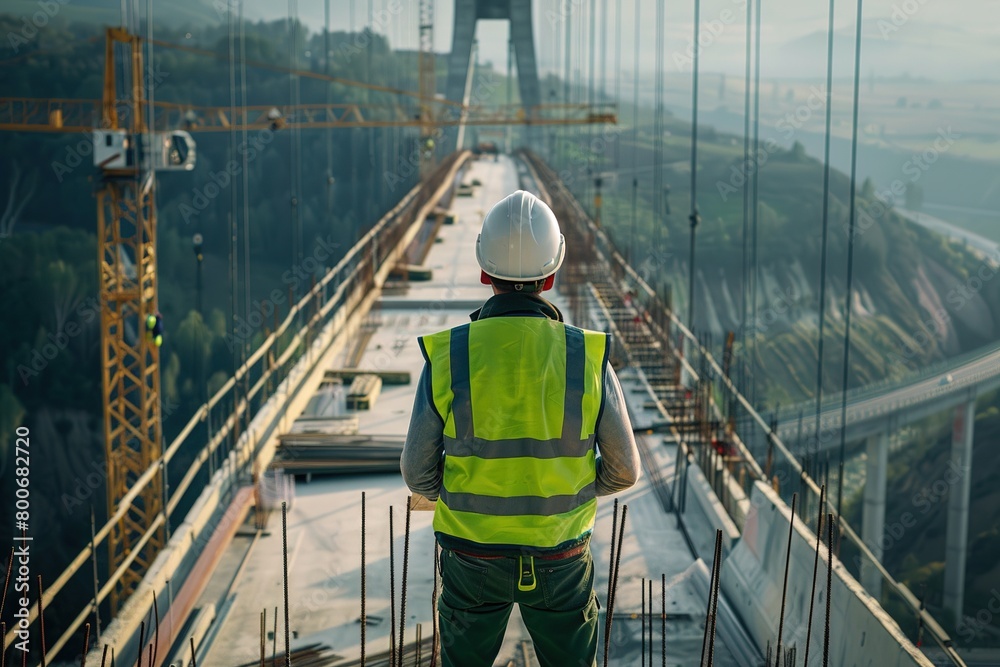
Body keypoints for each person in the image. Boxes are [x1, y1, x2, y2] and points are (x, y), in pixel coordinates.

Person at [401, 190, 640, 667]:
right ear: (551, 275)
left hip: (472, 558)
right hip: (560, 558)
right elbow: (624, 471)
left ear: (484, 271)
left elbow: (417, 473)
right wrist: (564, 490)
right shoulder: (586, 357)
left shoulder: (452, 355)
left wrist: (466, 496)